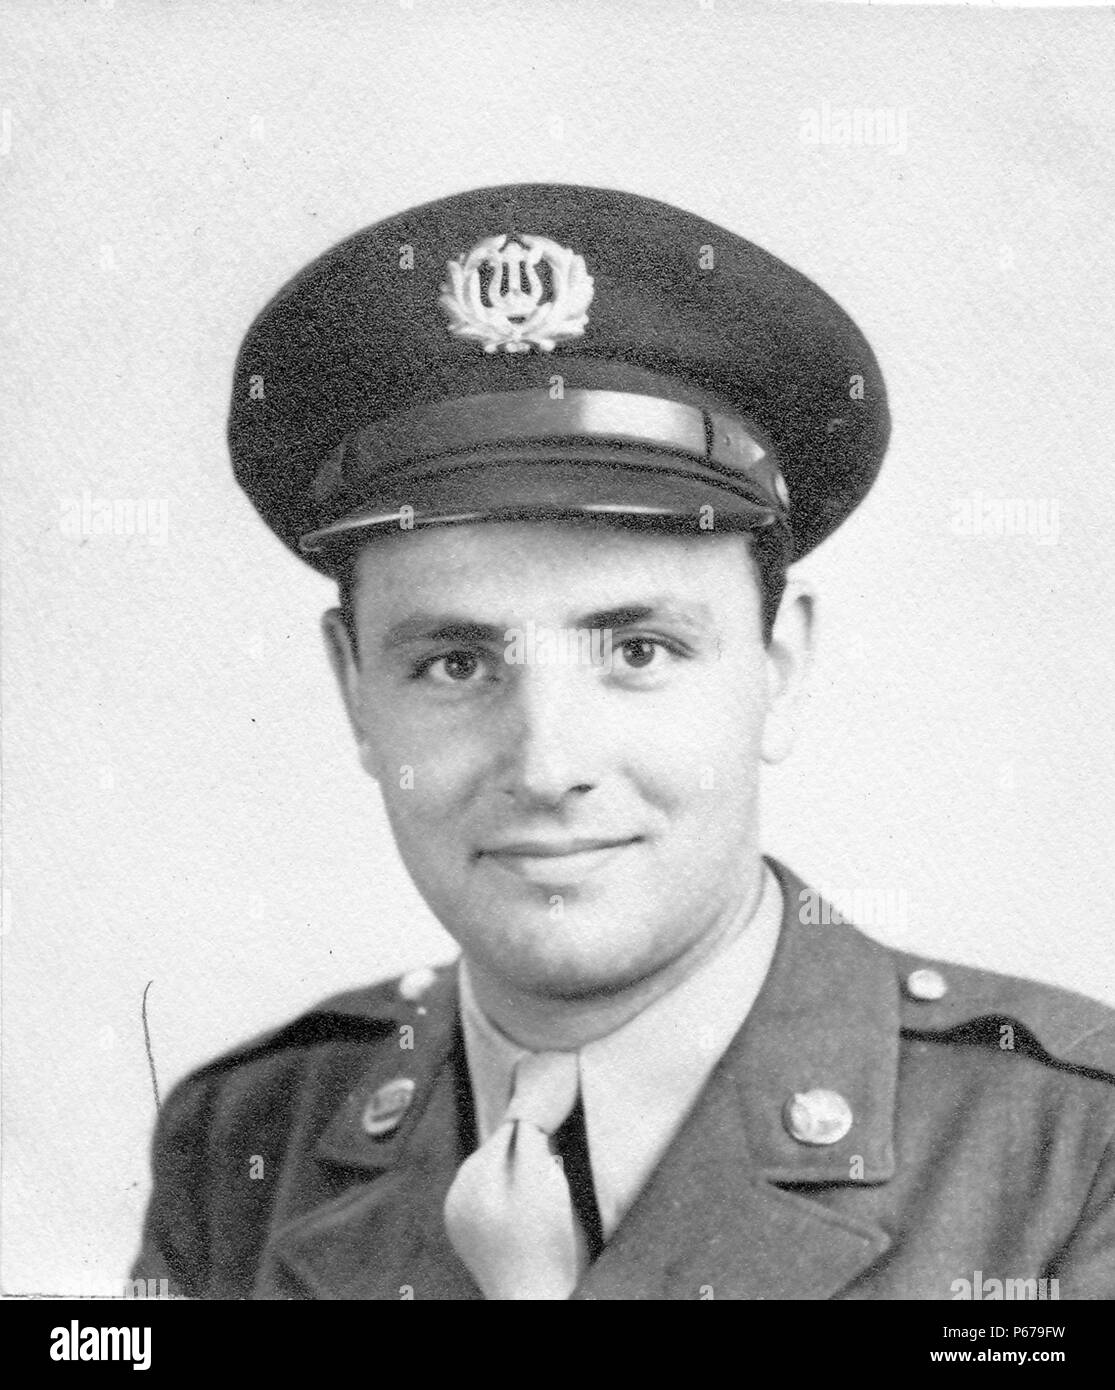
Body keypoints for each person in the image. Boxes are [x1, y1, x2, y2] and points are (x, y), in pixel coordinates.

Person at [133, 184, 1115, 1300]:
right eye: (455, 664)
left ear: (777, 668)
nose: (547, 766)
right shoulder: (242, 1144)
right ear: (355, 690)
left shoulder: (1064, 1150)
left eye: (637, 651)